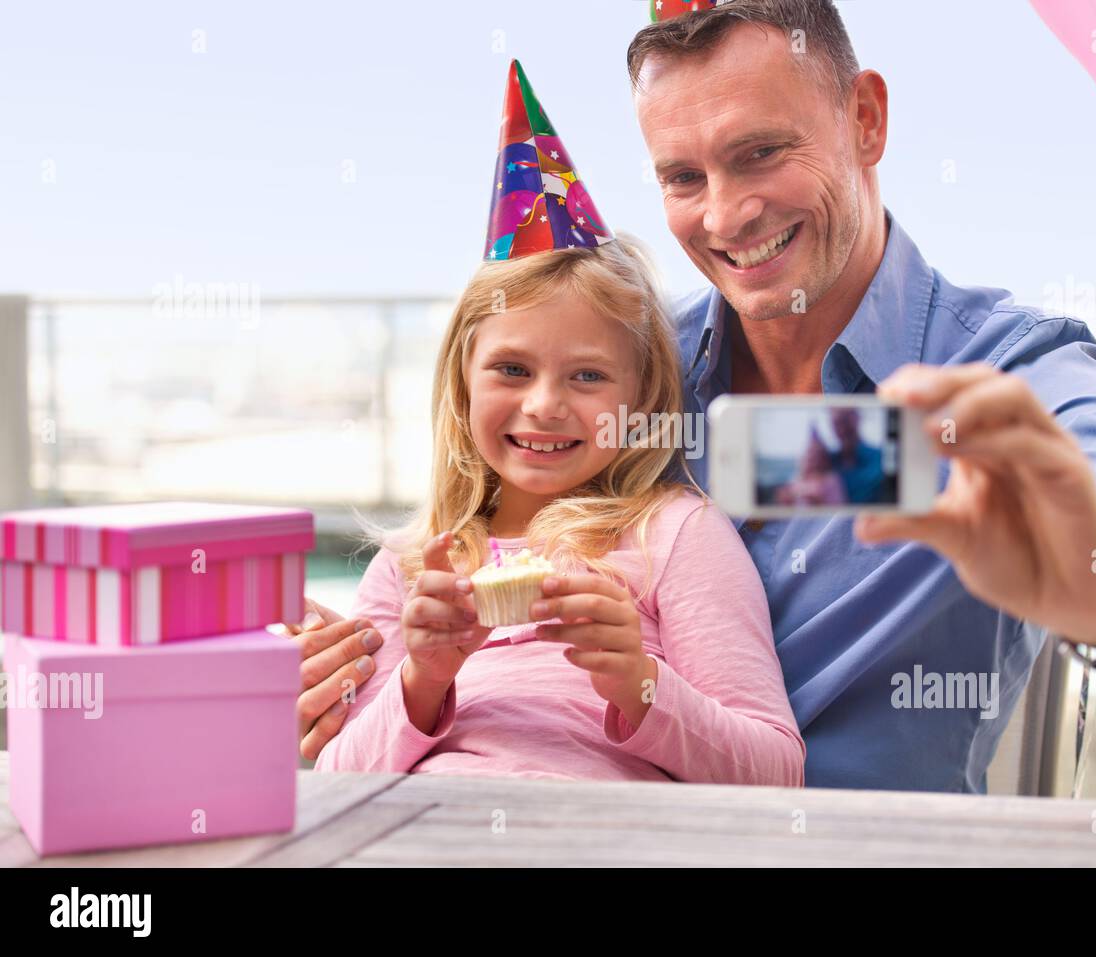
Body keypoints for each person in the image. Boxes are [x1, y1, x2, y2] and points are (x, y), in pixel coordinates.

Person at [293, 0, 1096, 792]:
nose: (726, 214)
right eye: (682, 176)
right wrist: (354, 665)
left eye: (761, 152)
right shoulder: (629, 374)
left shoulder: (999, 379)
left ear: (865, 119)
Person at [307, 60, 803, 786]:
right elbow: (342, 779)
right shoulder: (417, 564)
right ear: (462, 384)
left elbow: (775, 771)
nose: (545, 403)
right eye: (512, 370)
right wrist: (424, 675)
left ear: (640, 402)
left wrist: (639, 683)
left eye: (588, 376)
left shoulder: (675, 535)